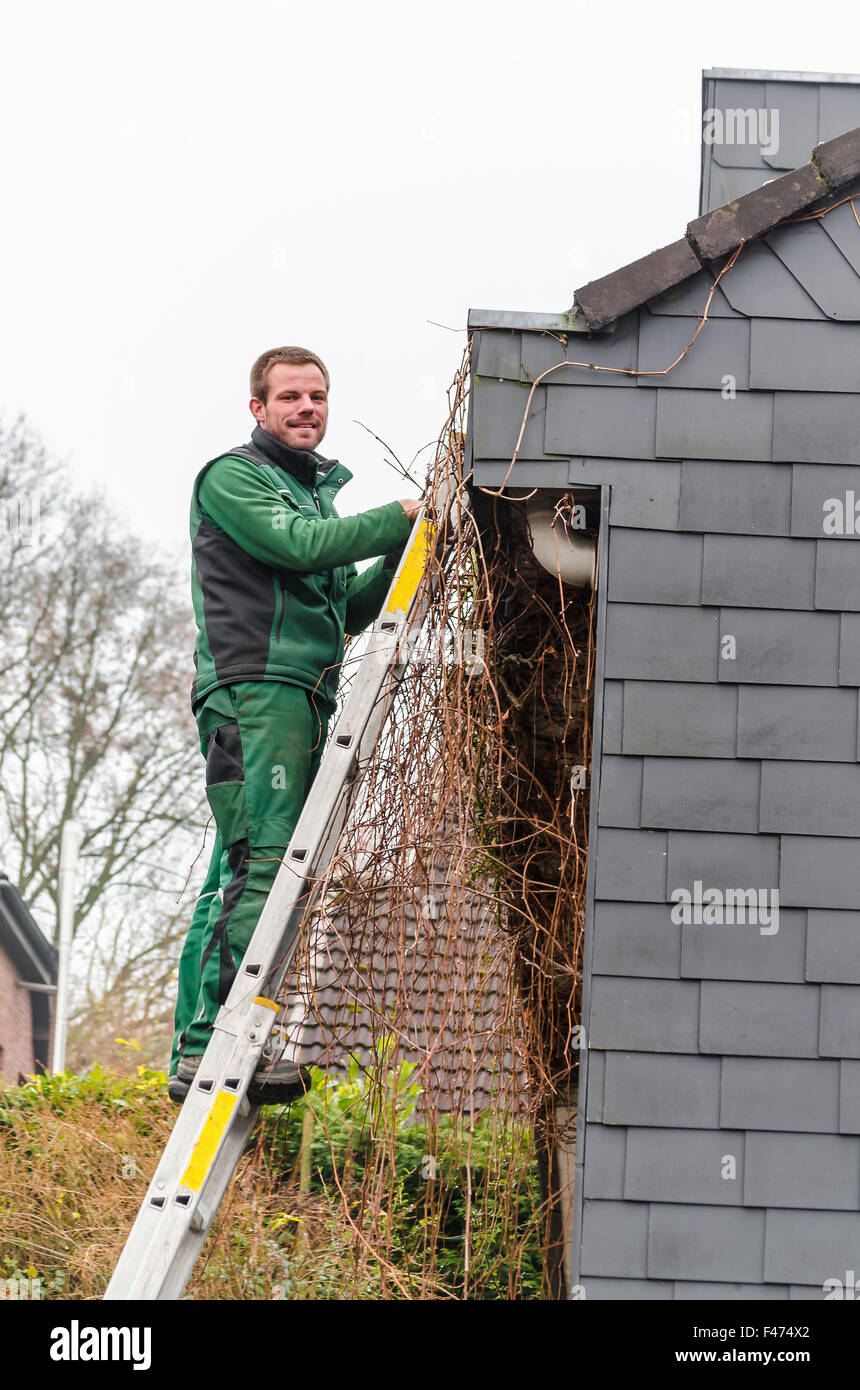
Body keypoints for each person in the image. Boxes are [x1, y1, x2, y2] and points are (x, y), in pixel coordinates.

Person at [168, 345, 420, 1104]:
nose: (307, 408)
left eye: (317, 396)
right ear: (259, 409)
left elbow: (342, 611)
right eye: (290, 397)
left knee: (244, 862)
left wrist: (403, 545)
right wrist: (397, 514)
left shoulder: (319, 503)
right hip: (258, 689)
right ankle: (214, 1042)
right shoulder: (235, 478)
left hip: (305, 692)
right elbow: (294, 549)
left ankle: (206, 1039)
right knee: (265, 859)